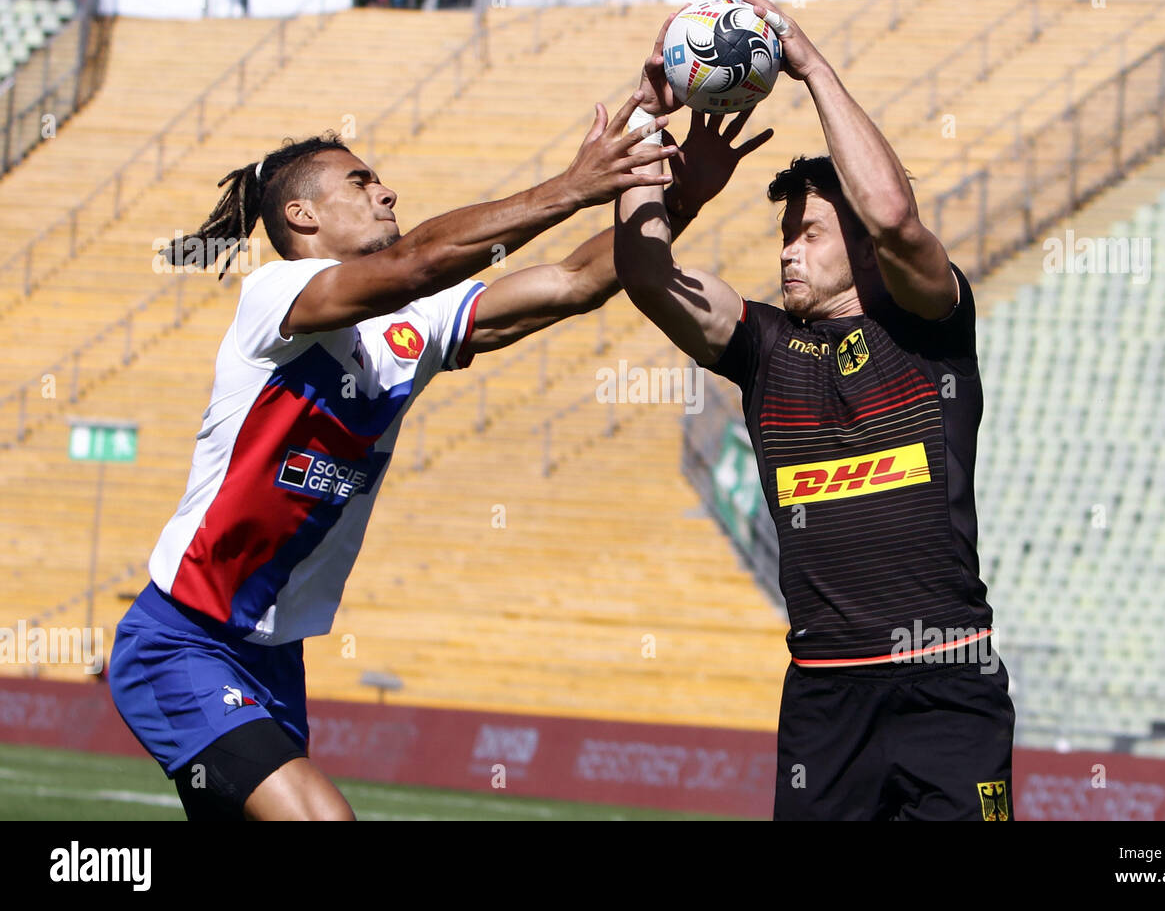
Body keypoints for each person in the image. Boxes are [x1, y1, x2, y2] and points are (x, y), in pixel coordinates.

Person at [108, 68, 767, 820]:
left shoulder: (411, 328)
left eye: (381, 181)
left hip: (274, 658)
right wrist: (570, 185)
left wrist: (677, 192)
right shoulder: (274, 298)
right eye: (360, 183)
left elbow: (577, 282)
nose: (385, 192)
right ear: (302, 215)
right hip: (182, 643)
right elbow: (415, 262)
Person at [613, 0, 1015, 821]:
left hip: (949, 687)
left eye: (809, 234)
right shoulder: (764, 348)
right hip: (826, 699)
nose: (788, 251)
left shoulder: (931, 328)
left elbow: (898, 219)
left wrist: (809, 65)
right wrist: (648, 125)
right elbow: (646, 276)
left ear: (861, 250)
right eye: (784, 235)